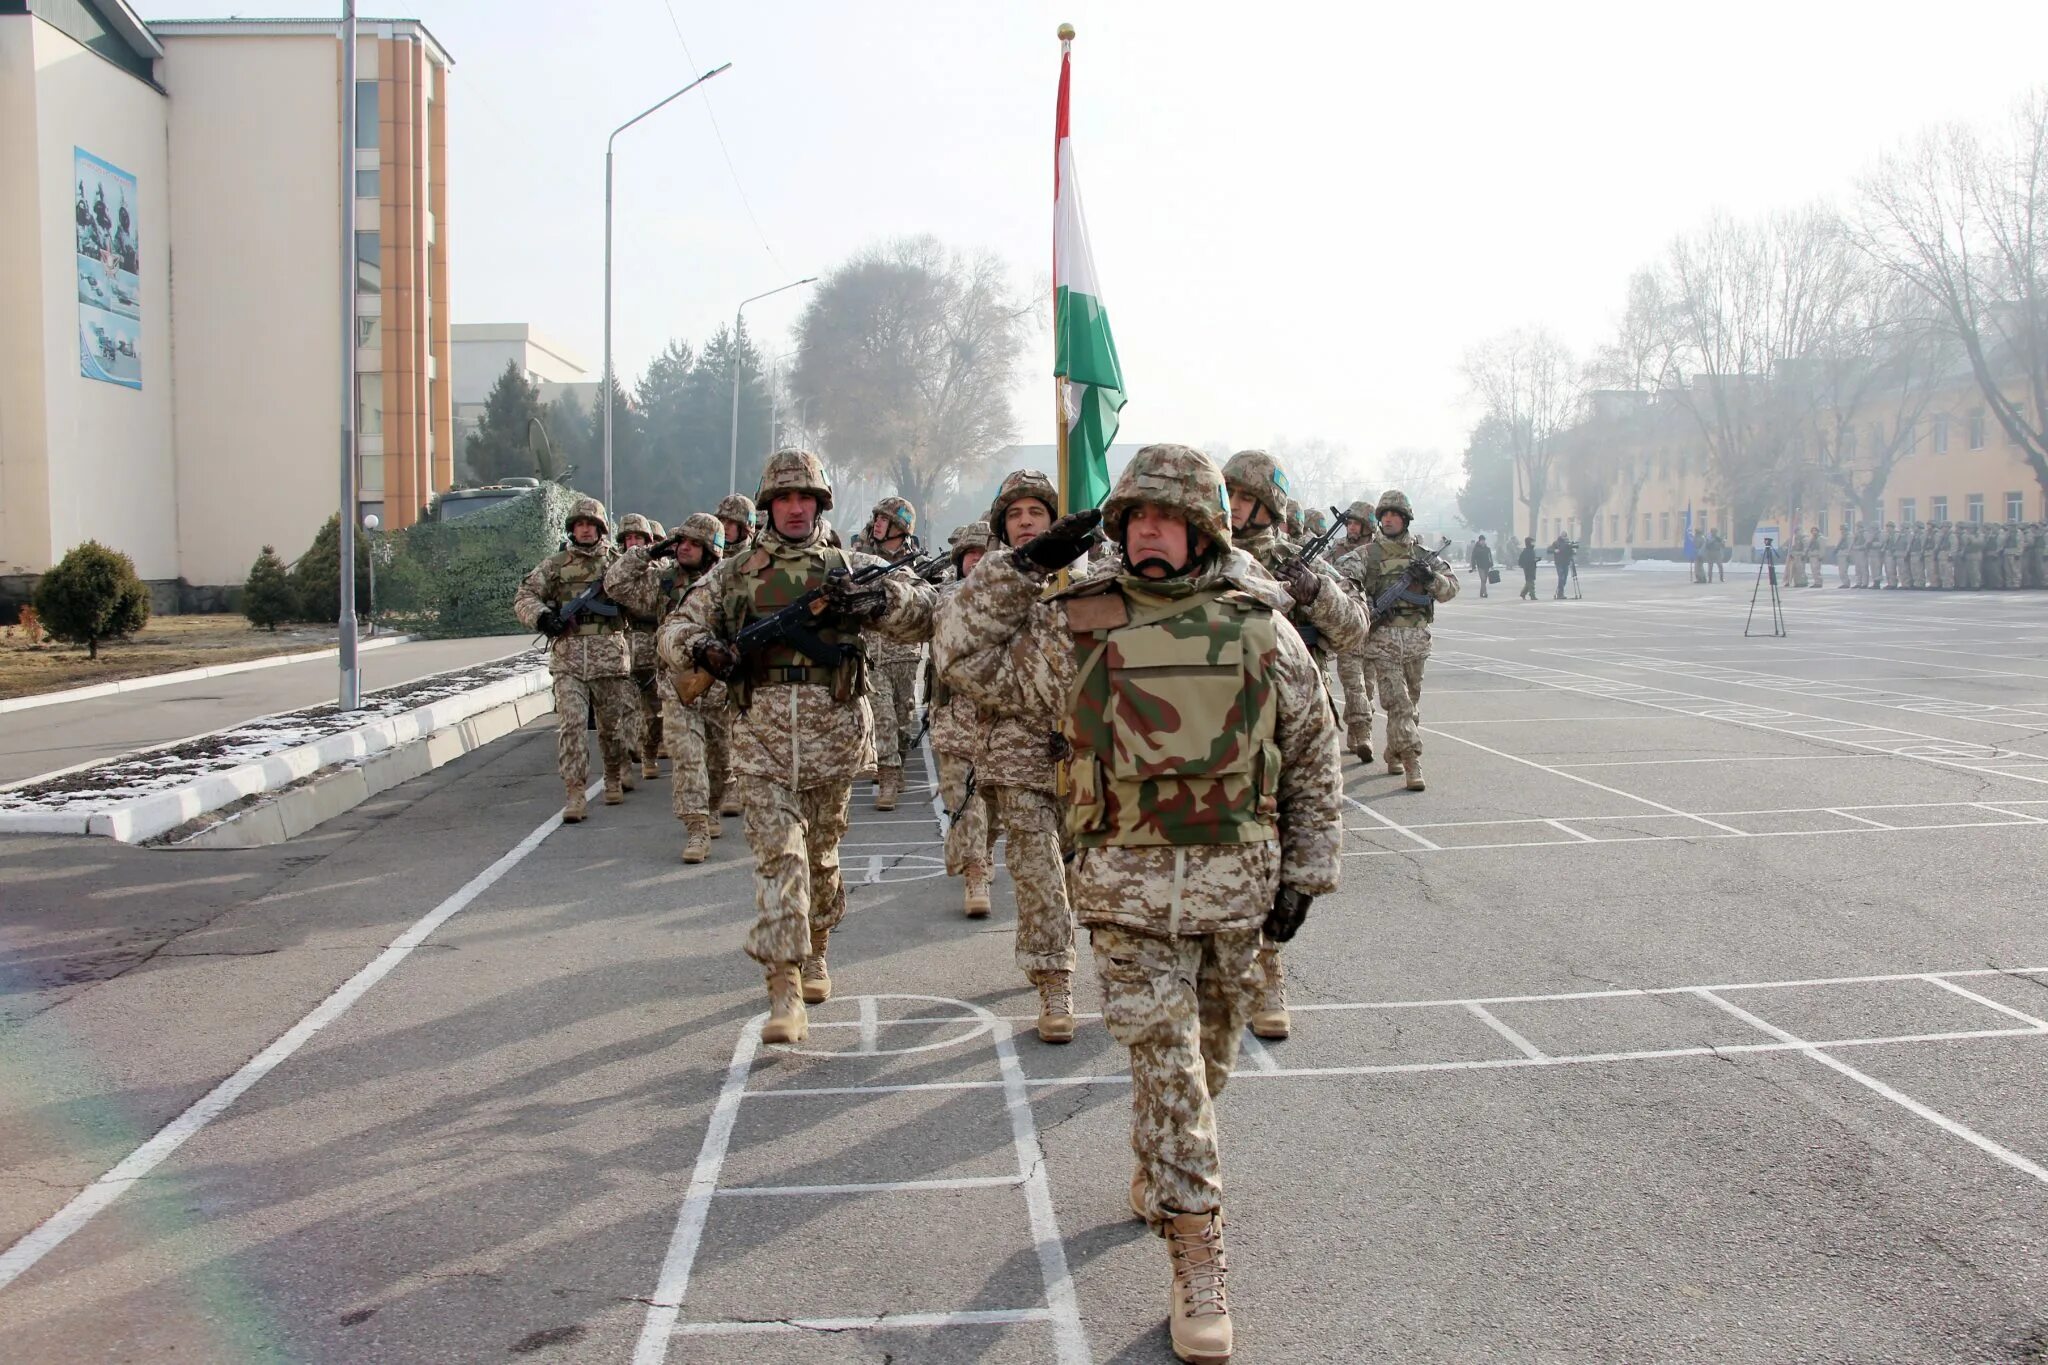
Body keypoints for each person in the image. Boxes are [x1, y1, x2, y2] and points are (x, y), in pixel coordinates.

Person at [937, 444, 1342, 1364]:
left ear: (1204, 526)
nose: (1148, 529)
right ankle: (1197, 1248)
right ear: (1116, 527)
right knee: (1167, 1060)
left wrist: (1305, 876)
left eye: (1168, 516)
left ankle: (1160, 1163)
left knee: (1208, 1063)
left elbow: (1312, 751)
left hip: (1235, 893)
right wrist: (1028, 563)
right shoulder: (1080, 625)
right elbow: (961, 652)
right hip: (1122, 892)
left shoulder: (1260, 627)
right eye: (1134, 516)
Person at [658, 450, 937, 1042]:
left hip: (832, 738)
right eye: (783, 498)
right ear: (767, 506)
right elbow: (674, 629)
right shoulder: (733, 574)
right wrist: (702, 649)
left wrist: (879, 602)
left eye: (804, 498)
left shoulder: (849, 565)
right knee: (779, 860)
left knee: (822, 863)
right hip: (759, 738)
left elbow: (923, 608)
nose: (793, 507)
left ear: (819, 504)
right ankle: (783, 985)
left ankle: (817, 950)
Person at [933, 468, 1084, 1043]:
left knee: (1084, 869)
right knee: (1035, 864)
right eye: (1015, 514)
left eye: (1037, 513)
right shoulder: (984, 586)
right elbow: (958, 650)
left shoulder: (1089, 580)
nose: (1026, 521)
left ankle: (1092, 956)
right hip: (1016, 745)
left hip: (1088, 747)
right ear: (1002, 526)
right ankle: (1053, 979)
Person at [1223, 450, 1366, 1041]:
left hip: (1290, 722)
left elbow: (1354, 627)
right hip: (1221, 718)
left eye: (1244, 498)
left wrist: (1313, 594)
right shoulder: (1206, 555)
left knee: (1273, 852)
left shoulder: (1299, 563)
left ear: (1268, 505)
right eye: (1227, 495)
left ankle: (1266, 976)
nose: (1232, 508)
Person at [610, 514, 730, 862]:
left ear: (711, 549)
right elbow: (615, 585)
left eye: (693, 543)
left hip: (720, 688)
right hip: (676, 686)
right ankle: (695, 829)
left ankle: (712, 808)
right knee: (688, 758)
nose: (684, 548)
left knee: (722, 762)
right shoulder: (663, 582)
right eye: (681, 541)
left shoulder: (728, 582)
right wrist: (650, 551)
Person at [512, 498, 638, 821]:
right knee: (572, 727)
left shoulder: (615, 562)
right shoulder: (555, 565)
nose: (585, 529)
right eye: (579, 524)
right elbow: (525, 595)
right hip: (568, 660)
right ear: (572, 529)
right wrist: (543, 618)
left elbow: (643, 592)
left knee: (611, 729)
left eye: (591, 524)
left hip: (609, 659)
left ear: (600, 529)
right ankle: (575, 792)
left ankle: (613, 774)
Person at [1354, 490, 1461, 789]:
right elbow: (1342, 583)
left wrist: (1429, 578)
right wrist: (1362, 610)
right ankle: (1413, 761)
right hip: (1382, 642)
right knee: (1398, 705)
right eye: (1383, 515)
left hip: (1416, 641)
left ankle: (1394, 750)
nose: (1387, 519)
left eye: (1393, 514)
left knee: (1410, 705)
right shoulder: (1367, 555)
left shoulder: (1423, 557)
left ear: (1405, 519)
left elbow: (1450, 590)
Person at [929, 522, 997, 918]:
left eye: (983, 553)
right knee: (965, 801)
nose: (976, 560)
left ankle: (982, 856)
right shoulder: (946, 598)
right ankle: (974, 873)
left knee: (995, 806)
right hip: (955, 719)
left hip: (1001, 722)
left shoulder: (1014, 596)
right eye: (969, 554)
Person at [851, 496, 926, 810]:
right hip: (872, 652)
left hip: (905, 654)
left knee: (902, 719)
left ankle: (898, 762)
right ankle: (889, 777)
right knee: (881, 716)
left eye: (884, 519)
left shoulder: (918, 563)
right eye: (876, 518)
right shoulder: (861, 559)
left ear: (900, 527)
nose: (877, 523)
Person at [614, 513, 666, 784]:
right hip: (625, 648)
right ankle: (623, 767)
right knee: (624, 710)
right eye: (628, 538)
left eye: (639, 538)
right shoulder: (615, 572)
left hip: (657, 649)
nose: (633, 543)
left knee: (656, 713)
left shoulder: (662, 571)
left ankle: (649, 754)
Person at [1330, 498, 1380, 763]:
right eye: (1348, 522)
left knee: (1368, 687)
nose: (1350, 527)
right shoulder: (1336, 549)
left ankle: (1355, 732)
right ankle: (1363, 736)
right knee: (1354, 685)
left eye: (1355, 523)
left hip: (1374, 628)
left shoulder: (1379, 551)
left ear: (1367, 526)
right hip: (1348, 628)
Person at [1547, 532, 1574, 599]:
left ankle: (1560, 592)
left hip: (1566, 563)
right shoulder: (1556, 543)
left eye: (1565, 536)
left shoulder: (1567, 543)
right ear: (1561, 536)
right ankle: (1560, 593)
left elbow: (1571, 552)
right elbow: (1549, 550)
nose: (1564, 537)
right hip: (1559, 563)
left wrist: (1571, 550)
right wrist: (1554, 550)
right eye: (1563, 536)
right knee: (1561, 577)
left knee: (1564, 578)